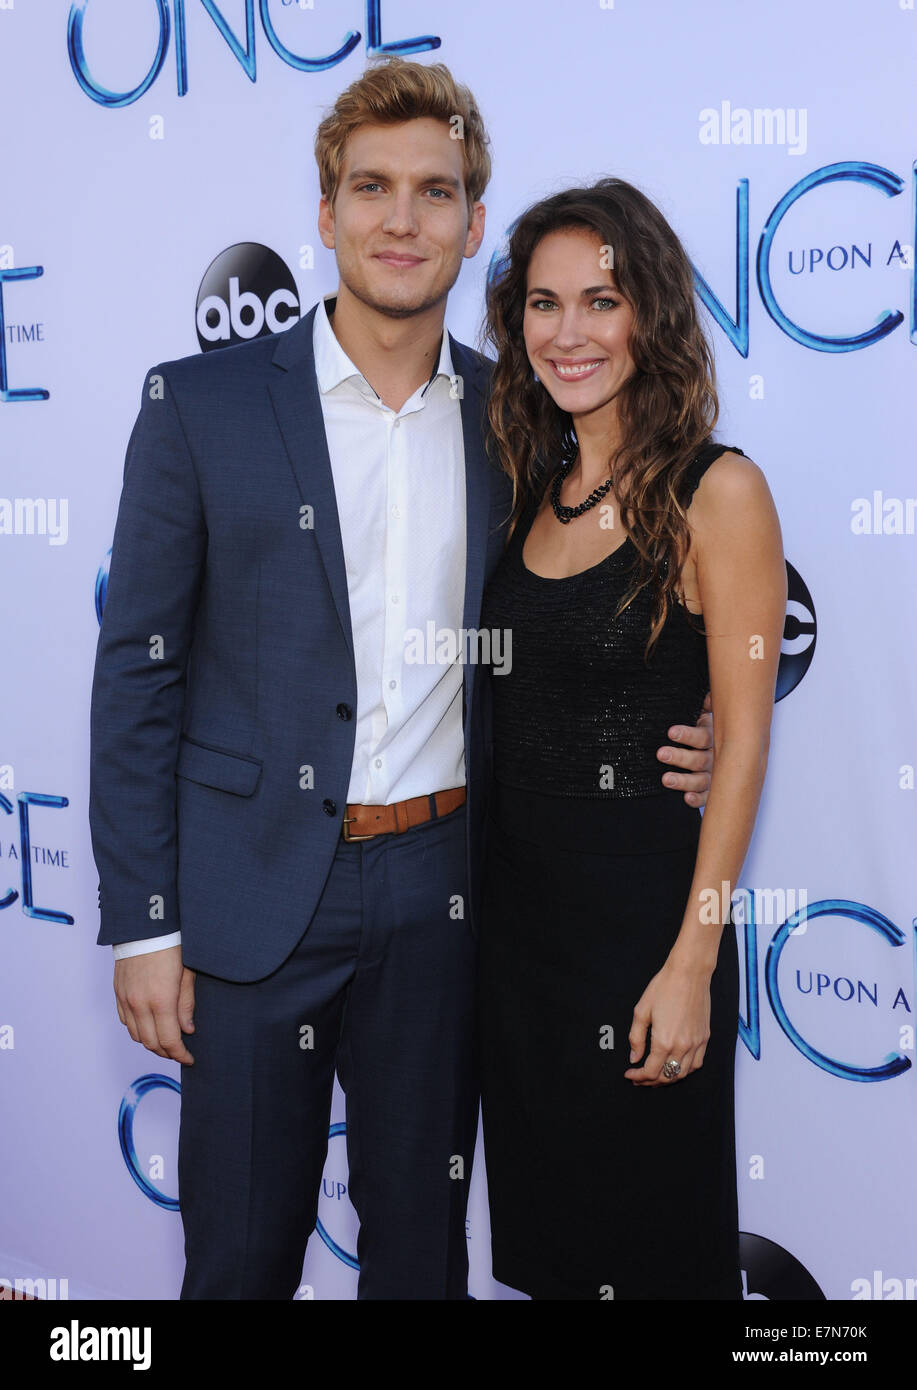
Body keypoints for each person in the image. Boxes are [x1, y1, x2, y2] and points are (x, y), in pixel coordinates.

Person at [89, 60, 715, 1301]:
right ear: (323, 214)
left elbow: (577, 608)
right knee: (237, 1254)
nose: (400, 218)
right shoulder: (200, 405)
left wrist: (684, 724)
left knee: (419, 1258)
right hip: (253, 896)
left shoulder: (516, 422)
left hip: (443, 892)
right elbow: (136, 672)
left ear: (473, 225)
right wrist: (145, 920)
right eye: (369, 187)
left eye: (435, 192)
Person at [477, 179, 787, 1300]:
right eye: (543, 304)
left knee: (653, 1257)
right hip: (518, 952)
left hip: (645, 943)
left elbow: (742, 745)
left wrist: (694, 959)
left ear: (646, 313)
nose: (568, 333)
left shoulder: (719, 492)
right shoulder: (522, 488)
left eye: (599, 301)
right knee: (552, 1261)